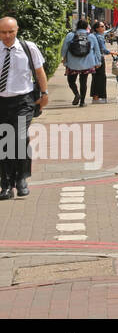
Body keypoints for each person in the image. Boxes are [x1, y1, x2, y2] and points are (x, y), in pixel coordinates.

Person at [0, 16, 49, 199]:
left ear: (17, 30)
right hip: (1, 101)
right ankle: (5, 184)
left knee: (20, 139)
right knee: (4, 142)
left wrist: (44, 94)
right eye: (3, 32)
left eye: (10, 32)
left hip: (23, 100)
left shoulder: (28, 48)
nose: (7, 36)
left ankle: (21, 178)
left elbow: (39, 71)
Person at [60, 18, 102, 107]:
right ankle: (82, 102)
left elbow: (64, 49)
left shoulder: (70, 35)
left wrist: (63, 57)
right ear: (87, 26)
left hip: (72, 63)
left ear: (77, 26)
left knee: (71, 81)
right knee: (83, 82)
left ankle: (76, 94)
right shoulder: (91, 36)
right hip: (87, 63)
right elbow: (97, 50)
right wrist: (98, 61)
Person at [90, 21, 113, 104]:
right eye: (102, 26)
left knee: (95, 78)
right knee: (101, 78)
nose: (104, 27)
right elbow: (103, 49)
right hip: (99, 59)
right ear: (97, 28)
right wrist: (111, 52)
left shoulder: (93, 36)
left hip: (92, 59)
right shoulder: (99, 37)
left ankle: (95, 97)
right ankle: (101, 97)